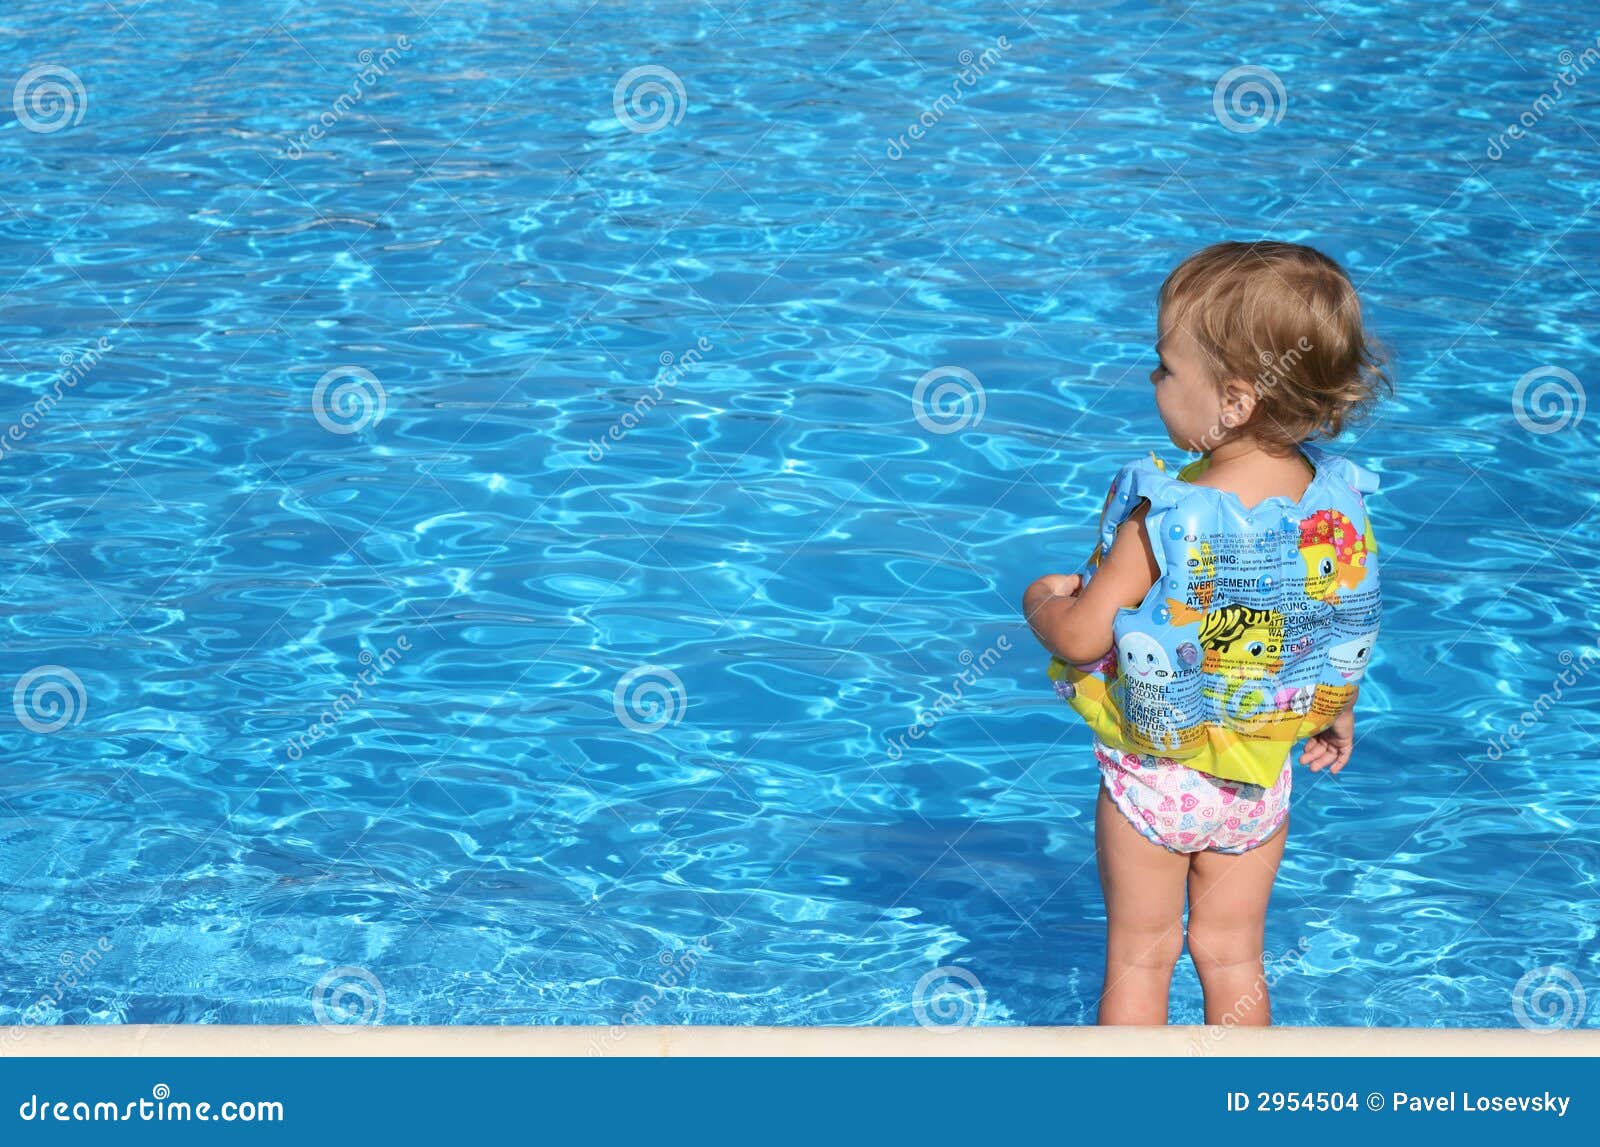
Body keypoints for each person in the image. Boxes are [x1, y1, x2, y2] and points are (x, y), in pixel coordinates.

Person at [1022, 241, 1390, 1026]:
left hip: (1157, 777)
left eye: (1162, 368)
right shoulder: (1335, 504)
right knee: (1232, 957)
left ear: (1232, 400)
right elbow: (1336, 615)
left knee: (1139, 955)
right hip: (1260, 784)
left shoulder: (1165, 516)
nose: (1152, 383)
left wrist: (1039, 604)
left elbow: (1085, 637)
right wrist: (1333, 706)